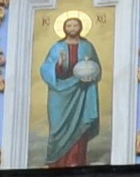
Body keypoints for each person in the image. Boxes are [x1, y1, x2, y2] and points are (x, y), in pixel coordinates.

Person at [36, 12, 106, 168]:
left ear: (81, 27)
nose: (72, 28)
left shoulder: (87, 46)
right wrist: (59, 64)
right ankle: (55, 161)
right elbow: (46, 68)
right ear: (64, 28)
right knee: (58, 128)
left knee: (80, 127)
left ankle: (77, 160)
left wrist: (90, 75)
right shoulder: (57, 47)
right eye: (69, 25)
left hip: (82, 92)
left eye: (75, 25)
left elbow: (96, 67)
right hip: (60, 94)